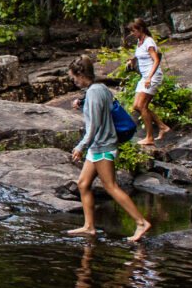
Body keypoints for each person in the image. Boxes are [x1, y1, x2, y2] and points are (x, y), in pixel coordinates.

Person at [65, 52, 153, 243]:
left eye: (74, 78)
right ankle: (89, 227)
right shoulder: (100, 89)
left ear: (80, 75)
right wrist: (82, 103)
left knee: (110, 186)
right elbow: (100, 110)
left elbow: (95, 125)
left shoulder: (95, 92)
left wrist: (81, 146)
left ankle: (141, 222)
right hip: (97, 147)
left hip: (103, 145)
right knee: (83, 184)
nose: (74, 81)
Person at [128, 17, 167, 145]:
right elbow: (138, 54)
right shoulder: (140, 41)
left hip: (153, 76)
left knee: (142, 106)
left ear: (141, 29)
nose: (132, 33)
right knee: (136, 106)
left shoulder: (149, 42)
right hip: (145, 77)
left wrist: (150, 77)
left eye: (134, 31)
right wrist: (132, 60)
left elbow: (156, 60)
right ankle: (162, 126)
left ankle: (149, 137)